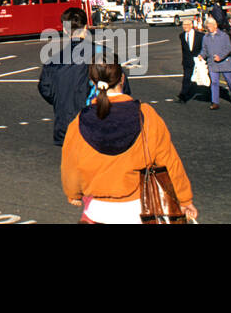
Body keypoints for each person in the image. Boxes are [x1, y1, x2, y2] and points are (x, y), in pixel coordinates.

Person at [61, 61, 198, 224]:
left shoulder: (80, 121)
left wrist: (73, 193)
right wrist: (184, 199)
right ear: (122, 79)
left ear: (92, 82)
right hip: (139, 208)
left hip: (97, 211)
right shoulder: (145, 114)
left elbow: (70, 165)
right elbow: (169, 161)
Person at [39, 7, 92, 146]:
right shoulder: (106, 55)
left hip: (66, 124)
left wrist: (62, 99)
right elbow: (121, 87)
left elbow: (46, 89)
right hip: (98, 124)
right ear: (86, 27)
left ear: (65, 30)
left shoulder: (53, 61)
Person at [199, 16, 231, 109]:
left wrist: (220, 56)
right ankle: (215, 102)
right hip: (212, 63)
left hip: (224, 62)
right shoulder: (205, 37)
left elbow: (229, 48)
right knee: (214, 82)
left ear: (215, 25)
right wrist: (201, 55)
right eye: (207, 26)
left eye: (210, 26)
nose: (208, 28)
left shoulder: (223, 35)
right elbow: (204, 49)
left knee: (230, 82)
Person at [176, 17, 203, 103]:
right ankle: (183, 96)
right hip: (187, 61)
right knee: (186, 78)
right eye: (184, 25)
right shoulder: (181, 36)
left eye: (187, 24)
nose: (185, 26)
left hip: (198, 60)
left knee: (204, 77)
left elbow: (203, 47)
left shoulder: (200, 35)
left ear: (191, 25)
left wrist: (202, 55)